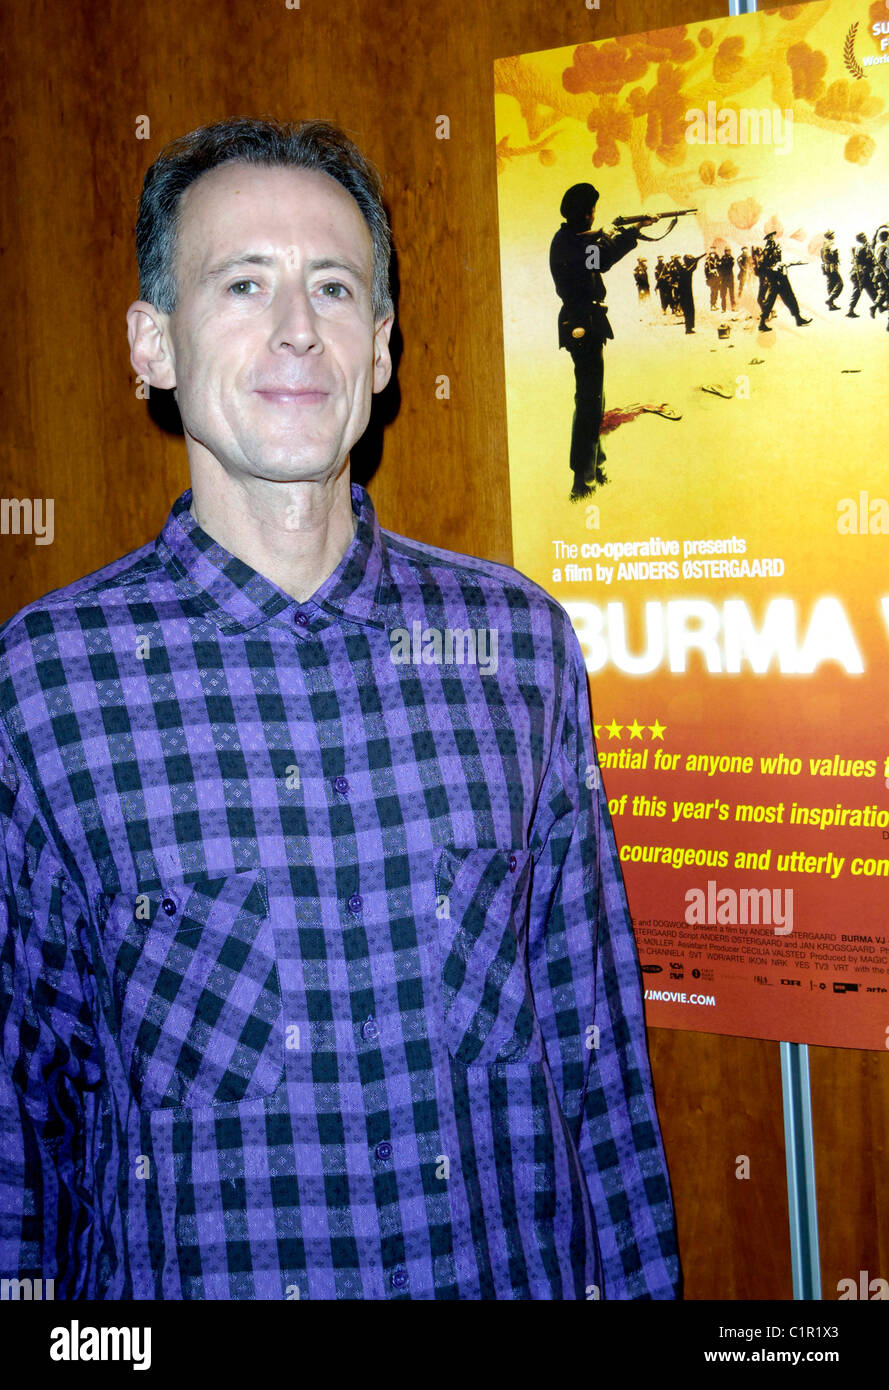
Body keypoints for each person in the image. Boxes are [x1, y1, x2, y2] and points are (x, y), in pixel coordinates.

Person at [0, 118, 680, 1302]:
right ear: (151, 342)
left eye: (332, 287)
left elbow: (597, 1061)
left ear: (379, 348)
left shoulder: (518, 647)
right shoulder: (42, 690)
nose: (295, 330)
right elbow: (20, 1130)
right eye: (242, 284)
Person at [549, 183, 657, 498]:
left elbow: (598, 253)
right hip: (582, 326)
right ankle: (583, 482)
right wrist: (626, 233)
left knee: (594, 401)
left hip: (586, 323)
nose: (595, 214)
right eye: (592, 211)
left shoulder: (567, 239)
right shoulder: (571, 245)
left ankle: (595, 468)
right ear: (586, 214)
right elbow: (602, 259)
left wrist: (627, 230)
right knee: (588, 405)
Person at [757, 231, 811, 331]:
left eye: (774, 237)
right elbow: (763, 266)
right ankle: (762, 323)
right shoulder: (767, 250)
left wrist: (783, 265)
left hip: (782, 276)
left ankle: (798, 319)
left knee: (790, 297)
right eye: (772, 238)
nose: (774, 239)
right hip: (774, 278)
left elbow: (779, 260)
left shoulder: (777, 249)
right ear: (769, 240)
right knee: (770, 301)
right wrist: (773, 267)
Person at [675, 252, 705, 333]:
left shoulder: (683, 268)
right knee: (689, 311)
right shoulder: (685, 269)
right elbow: (693, 267)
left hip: (684, 293)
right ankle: (688, 328)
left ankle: (689, 328)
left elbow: (692, 266)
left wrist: (695, 260)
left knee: (688, 311)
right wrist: (696, 261)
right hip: (686, 293)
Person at [820, 231, 843, 310]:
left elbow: (823, 257)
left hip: (826, 267)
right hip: (832, 266)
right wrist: (837, 259)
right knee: (840, 283)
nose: (834, 235)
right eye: (832, 234)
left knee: (831, 284)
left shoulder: (823, 245)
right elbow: (833, 255)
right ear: (830, 236)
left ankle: (831, 304)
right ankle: (830, 300)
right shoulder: (831, 244)